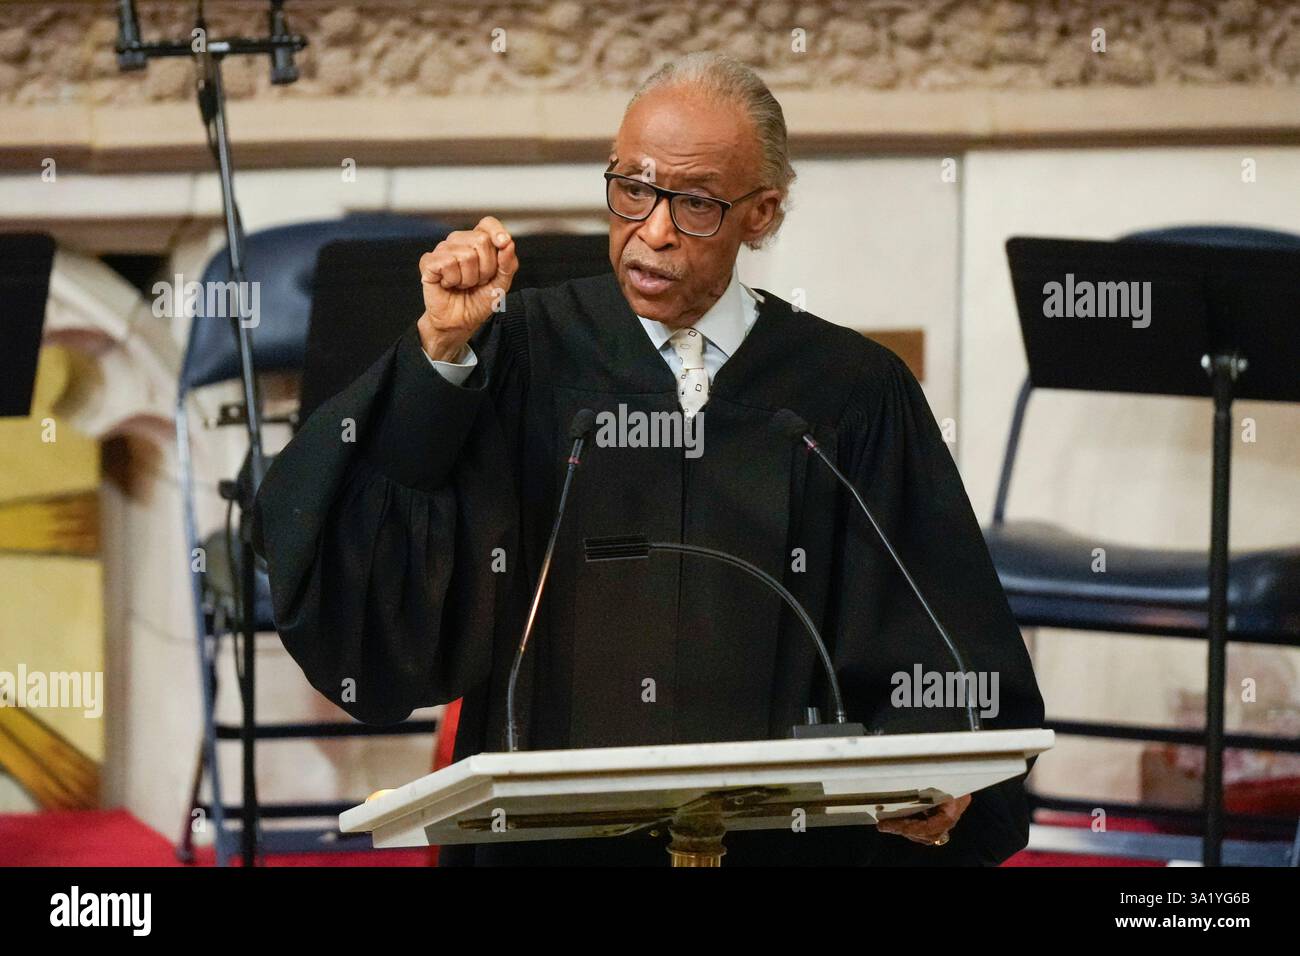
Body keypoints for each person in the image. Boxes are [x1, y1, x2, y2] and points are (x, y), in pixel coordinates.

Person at [253, 52, 1044, 866]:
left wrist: (940, 762)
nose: (654, 230)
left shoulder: (848, 392)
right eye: (633, 189)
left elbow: (934, 632)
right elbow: (366, 543)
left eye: (696, 202)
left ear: (762, 214)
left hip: (781, 846)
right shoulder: (521, 352)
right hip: (549, 844)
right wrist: (441, 355)